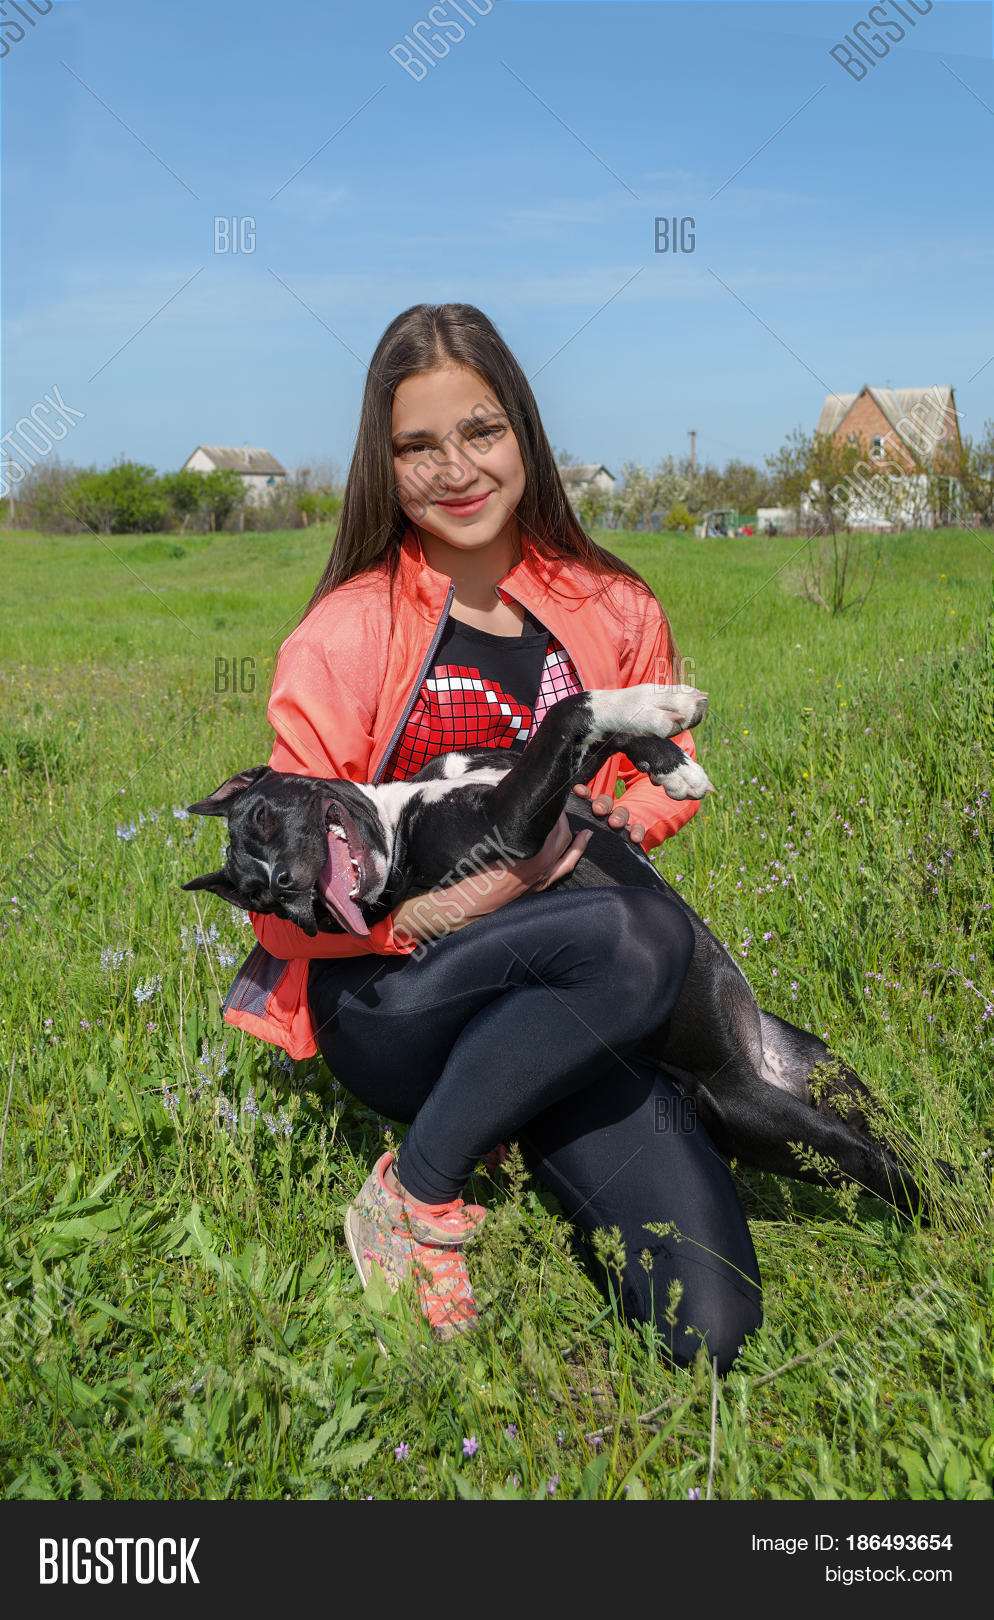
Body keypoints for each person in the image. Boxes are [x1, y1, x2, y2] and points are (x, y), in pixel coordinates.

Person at [222, 303, 763, 1373]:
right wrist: (443, 908)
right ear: (384, 465)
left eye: (480, 432)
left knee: (711, 1322)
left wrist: (623, 819)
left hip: (579, 985)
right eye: (416, 446)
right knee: (639, 937)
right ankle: (417, 1188)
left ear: (524, 431)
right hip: (396, 999)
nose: (453, 469)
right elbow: (282, 906)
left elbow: (670, 778)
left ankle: (549, 1097)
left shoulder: (609, 604)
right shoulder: (342, 636)